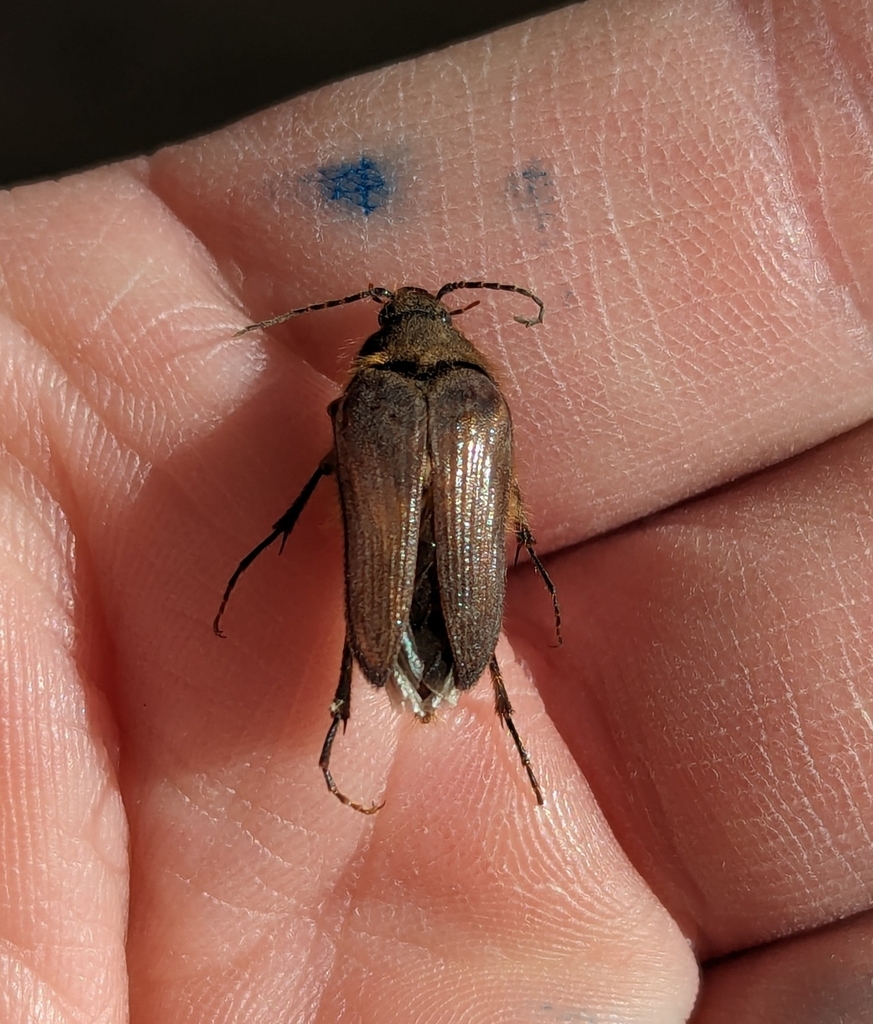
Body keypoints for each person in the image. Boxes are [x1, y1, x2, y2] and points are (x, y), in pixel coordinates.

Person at [2, 2, 871, 1021]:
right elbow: (500, 504)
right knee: (395, 568)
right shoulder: (479, 405)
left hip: (413, 598)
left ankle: (368, 701)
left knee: (357, 563)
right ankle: (469, 701)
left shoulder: (359, 402)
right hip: (462, 609)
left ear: (382, 338)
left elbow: (355, 488)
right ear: (453, 334)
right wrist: (525, 553)